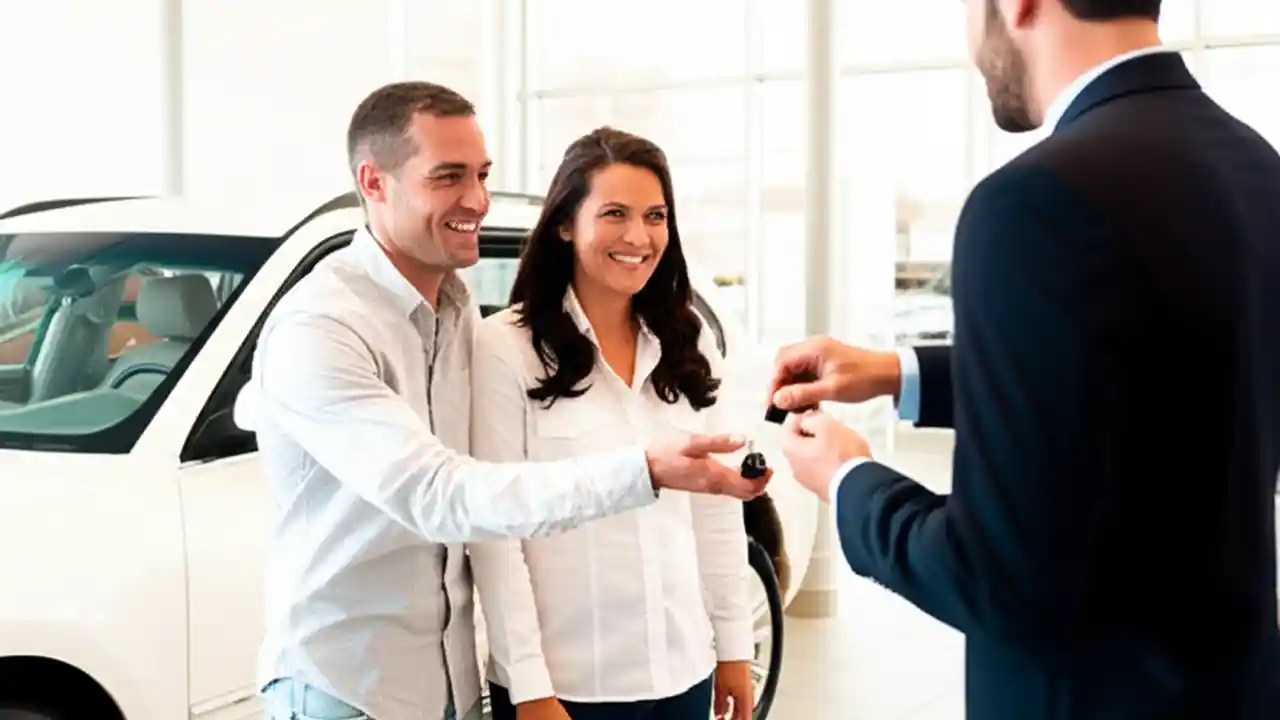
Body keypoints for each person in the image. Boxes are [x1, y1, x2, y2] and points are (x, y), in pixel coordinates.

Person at [769, 1, 1280, 718]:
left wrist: (848, 479)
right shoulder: (1254, 165)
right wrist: (898, 373)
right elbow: (1168, 374)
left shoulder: (1030, 201)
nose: (970, 40)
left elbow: (996, 580)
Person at [251, 82, 768, 720]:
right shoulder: (325, 327)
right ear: (374, 181)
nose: (477, 200)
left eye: (481, 175)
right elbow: (447, 498)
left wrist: (732, 643)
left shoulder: (455, 314)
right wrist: (647, 470)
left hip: (451, 682)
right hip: (351, 690)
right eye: (448, 177)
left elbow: (711, 519)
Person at [467, 126, 758, 720]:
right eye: (615, 213)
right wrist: (529, 687)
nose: (638, 236)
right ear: (565, 224)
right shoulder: (506, 348)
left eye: (655, 216)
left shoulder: (687, 338)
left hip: (683, 670)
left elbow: (716, 508)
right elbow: (496, 531)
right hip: (568, 686)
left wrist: (732, 646)